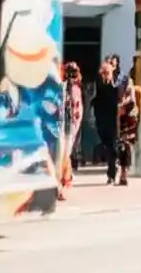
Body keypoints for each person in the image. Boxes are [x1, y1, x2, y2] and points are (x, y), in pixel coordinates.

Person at [88, 62, 122, 185]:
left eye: (106, 73)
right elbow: (94, 100)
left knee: (111, 146)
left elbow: (118, 103)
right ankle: (112, 169)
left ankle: (112, 172)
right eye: (103, 73)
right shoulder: (99, 86)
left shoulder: (114, 88)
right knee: (107, 146)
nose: (104, 75)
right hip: (102, 121)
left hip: (111, 121)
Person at [58, 62, 84, 201]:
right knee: (62, 156)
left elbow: (77, 111)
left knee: (63, 156)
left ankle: (62, 187)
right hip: (62, 127)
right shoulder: (64, 88)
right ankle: (61, 186)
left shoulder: (72, 89)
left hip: (65, 127)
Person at [116, 81, 141, 186]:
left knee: (124, 151)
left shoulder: (125, 105)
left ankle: (123, 176)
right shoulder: (133, 104)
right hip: (131, 129)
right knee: (127, 150)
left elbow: (119, 116)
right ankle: (124, 175)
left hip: (125, 130)